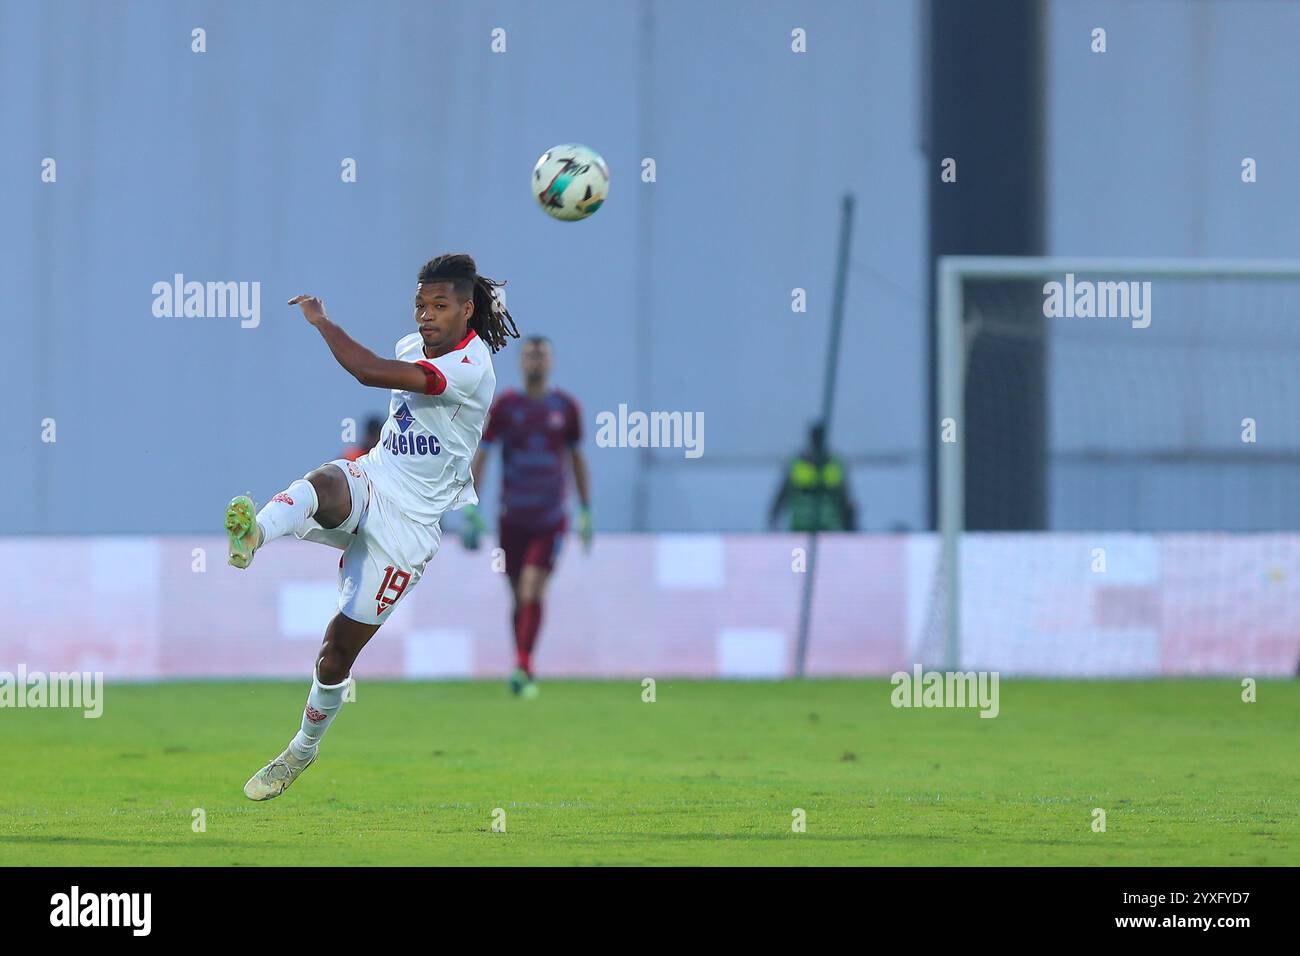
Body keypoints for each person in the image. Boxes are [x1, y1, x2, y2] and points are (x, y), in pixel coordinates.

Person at [224, 253, 518, 801]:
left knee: (336, 651)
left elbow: (366, 372)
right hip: (375, 478)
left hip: (409, 525)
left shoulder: (471, 367)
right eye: (420, 304)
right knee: (327, 482)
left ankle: (301, 751)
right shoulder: (414, 345)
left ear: (466, 309)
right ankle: (254, 534)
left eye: (440, 306)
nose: (425, 315)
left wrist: (321, 321)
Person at [461, 337, 591, 698]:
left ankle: (523, 665)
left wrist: (585, 509)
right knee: (519, 597)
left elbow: (576, 458)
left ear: (551, 362)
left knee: (534, 586)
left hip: (550, 519)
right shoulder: (506, 407)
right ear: (521, 363)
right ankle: (521, 661)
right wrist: (470, 504)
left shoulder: (565, 408)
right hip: (511, 518)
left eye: (542, 356)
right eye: (530, 356)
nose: (536, 362)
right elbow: (483, 454)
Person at [768, 422, 858, 532]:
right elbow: (781, 496)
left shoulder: (835, 465)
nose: (817, 443)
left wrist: (851, 529)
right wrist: (773, 521)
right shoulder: (796, 465)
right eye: (816, 439)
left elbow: (845, 501)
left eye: (820, 439)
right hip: (800, 530)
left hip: (830, 531)